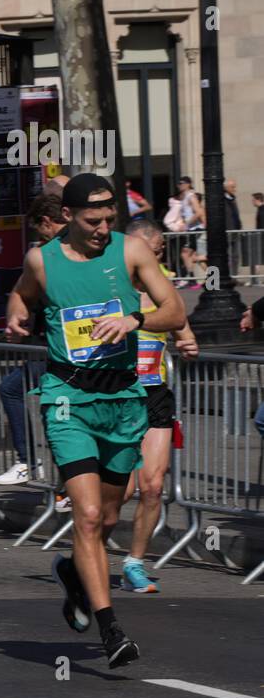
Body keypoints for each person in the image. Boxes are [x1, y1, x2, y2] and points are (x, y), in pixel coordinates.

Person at [5, 174, 185, 668]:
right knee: (85, 516)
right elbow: (21, 295)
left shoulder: (131, 252)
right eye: (93, 220)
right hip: (67, 397)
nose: (104, 228)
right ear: (68, 216)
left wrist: (135, 320)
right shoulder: (43, 260)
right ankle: (111, 630)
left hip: (124, 398)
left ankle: (72, 575)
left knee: (108, 516)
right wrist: (16, 315)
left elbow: (173, 310)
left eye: (110, 218)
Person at [122, 219, 199, 594]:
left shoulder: (163, 288)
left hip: (154, 395)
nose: (152, 260)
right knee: (117, 491)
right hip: (116, 396)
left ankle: (134, 563)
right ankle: (82, 557)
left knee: (152, 486)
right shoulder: (110, 285)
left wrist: (188, 346)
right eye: (149, 253)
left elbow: (184, 330)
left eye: (155, 254)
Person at [0, 192, 65, 492]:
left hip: (60, 351)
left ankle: (42, 467)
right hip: (50, 348)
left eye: (40, 230)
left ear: (47, 223)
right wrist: (17, 315)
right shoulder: (46, 254)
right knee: (20, 392)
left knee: (58, 413)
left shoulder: (51, 254)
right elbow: (21, 293)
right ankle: (44, 469)